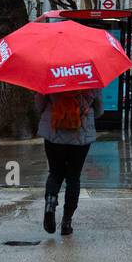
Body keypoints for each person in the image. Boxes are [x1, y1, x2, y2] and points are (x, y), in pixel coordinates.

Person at [34, 89, 98, 236]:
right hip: (80, 134)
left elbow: (39, 105)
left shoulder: (51, 75)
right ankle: (66, 222)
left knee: (55, 173)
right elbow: (100, 109)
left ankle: (50, 203)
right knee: (73, 177)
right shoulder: (90, 78)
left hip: (54, 133)